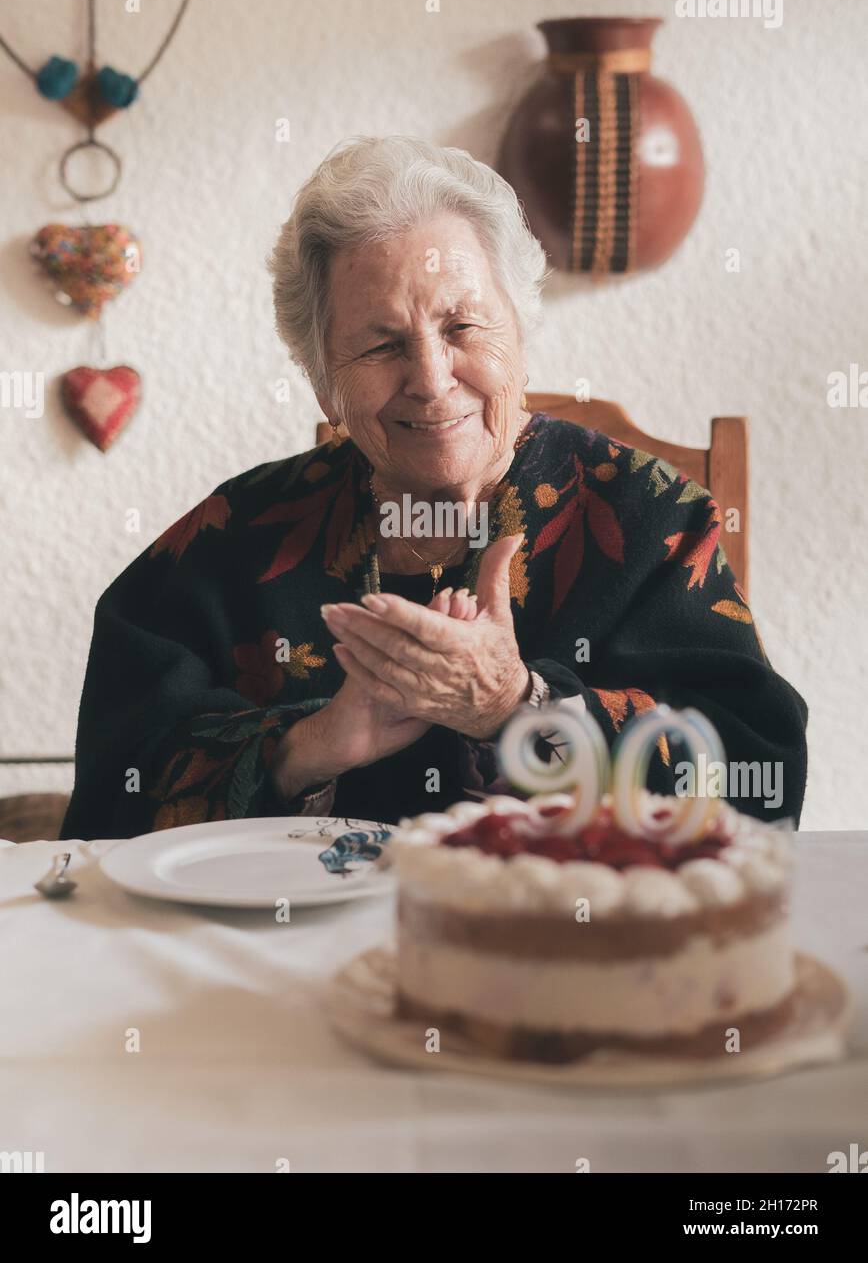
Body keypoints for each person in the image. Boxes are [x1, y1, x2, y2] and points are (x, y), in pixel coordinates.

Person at [60, 136, 808, 839]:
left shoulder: (651, 516)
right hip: (292, 962)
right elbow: (112, 793)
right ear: (324, 386)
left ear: (520, 330)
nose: (431, 379)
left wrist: (517, 707)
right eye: (383, 344)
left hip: (579, 957)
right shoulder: (237, 537)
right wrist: (307, 747)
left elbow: (760, 781)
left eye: (462, 328)